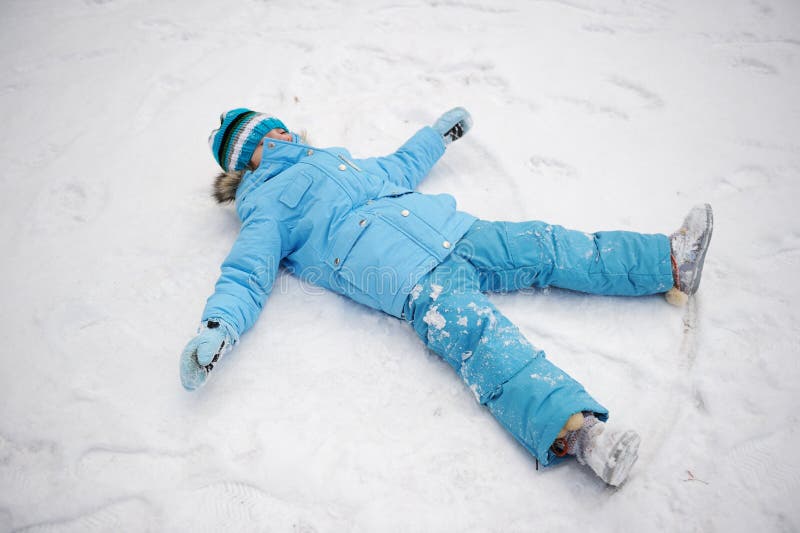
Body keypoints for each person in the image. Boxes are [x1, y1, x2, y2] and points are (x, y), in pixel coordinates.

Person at [180, 107, 713, 487]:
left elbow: (398, 166)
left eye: (280, 130)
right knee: (488, 345)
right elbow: (245, 273)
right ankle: (578, 435)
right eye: (270, 137)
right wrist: (218, 327)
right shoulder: (265, 208)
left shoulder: (338, 160)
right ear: (250, 158)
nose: (284, 136)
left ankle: (668, 261)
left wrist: (437, 136)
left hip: (457, 230)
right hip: (414, 282)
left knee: (547, 245)